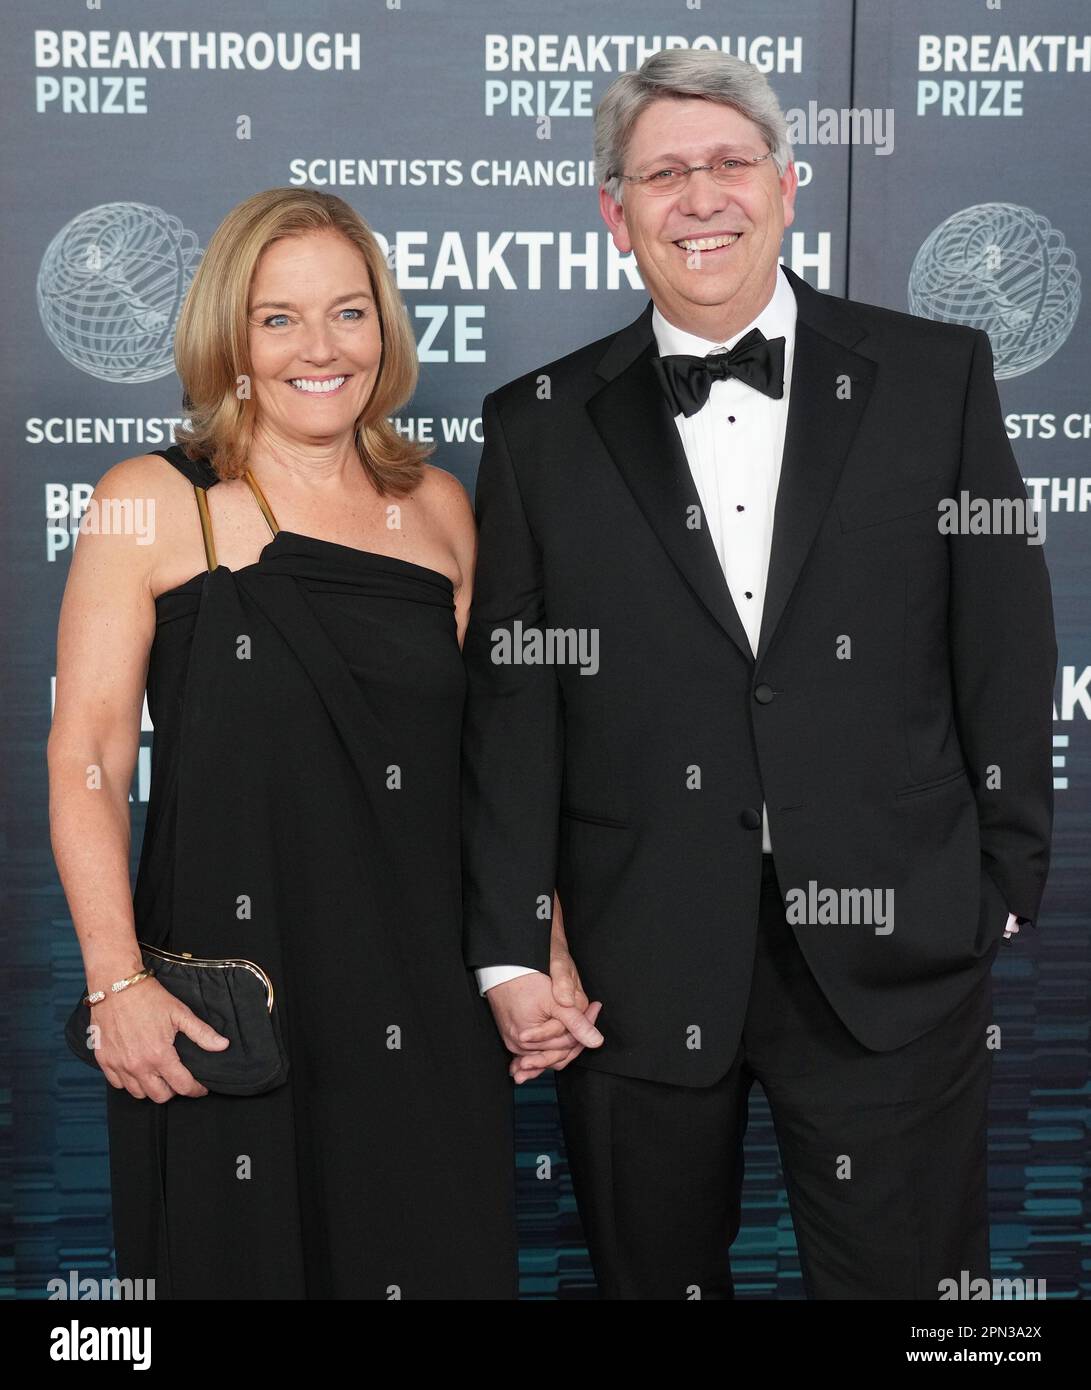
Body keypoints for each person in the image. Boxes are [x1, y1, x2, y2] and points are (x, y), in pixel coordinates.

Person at [461, 50, 1056, 1298]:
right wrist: (514, 950)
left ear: (786, 187)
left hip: (896, 953)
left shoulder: (933, 377)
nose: (702, 196)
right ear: (612, 214)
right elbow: (515, 703)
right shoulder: (534, 425)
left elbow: (1002, 642)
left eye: (728, 164)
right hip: (633, 967)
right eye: (662, 173)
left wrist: (996, 881)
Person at [47, 187, 517, 1299]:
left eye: (348, 313)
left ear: (384, 330)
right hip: (228, 1007)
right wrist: (116, 984)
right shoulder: (150, 501)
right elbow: (88, 754)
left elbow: (493, 775)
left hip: (422, 1007)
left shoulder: (442, 508)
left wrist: (534, 952)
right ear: (229, 335)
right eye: (279, 318)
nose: (321, 348)